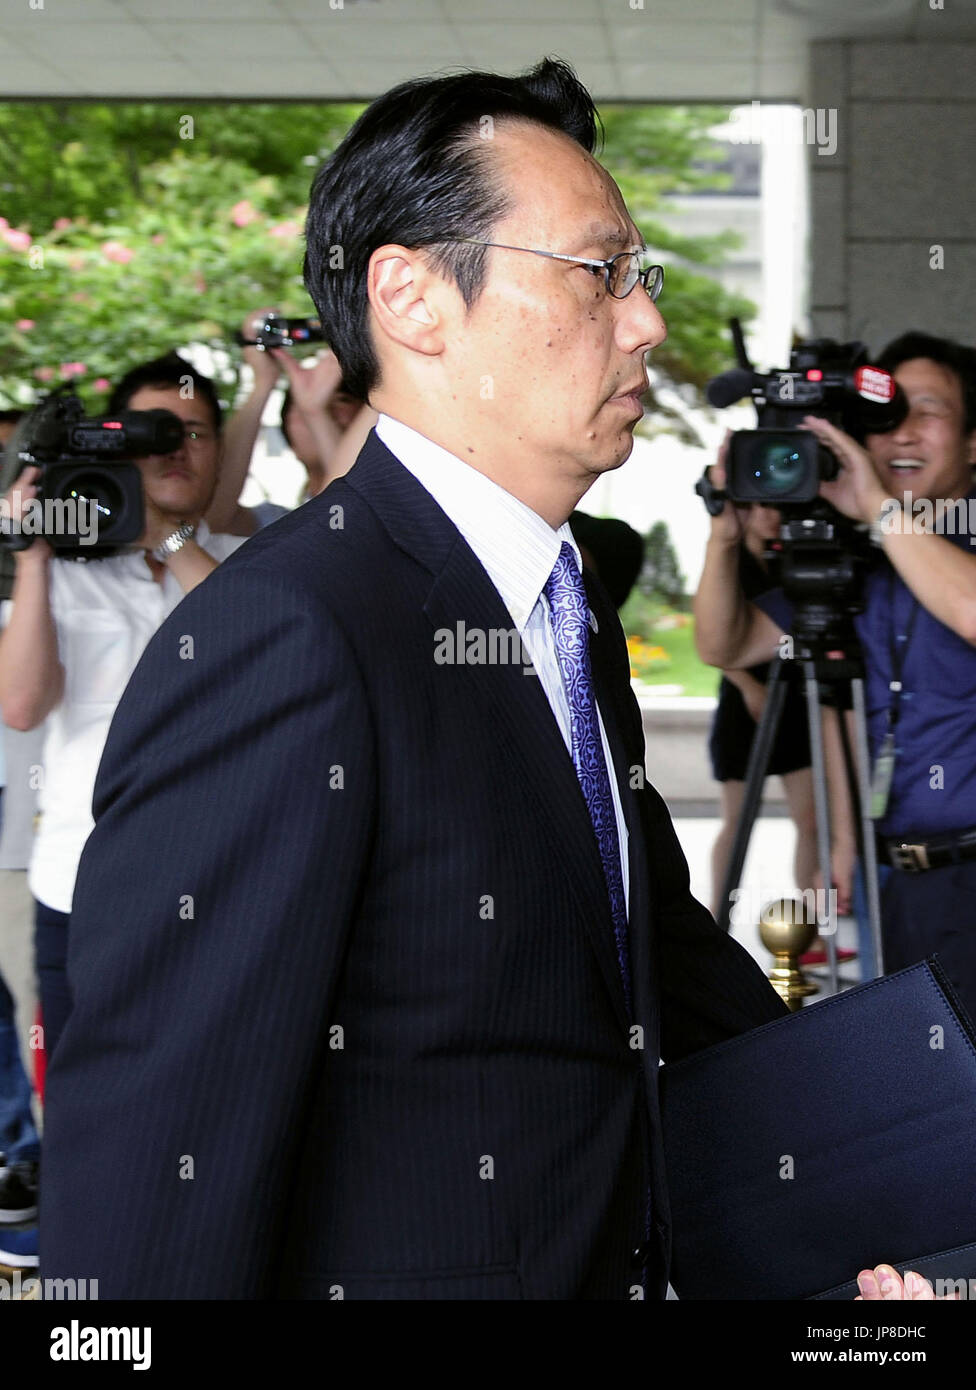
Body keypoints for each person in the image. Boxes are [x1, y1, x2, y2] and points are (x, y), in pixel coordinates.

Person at [40, 58, 795, 1300]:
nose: (646, 319)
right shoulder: (290, 633)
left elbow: (646, 952)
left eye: (641, 277)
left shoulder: (561, 610)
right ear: (413, 298)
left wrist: (892, 1148)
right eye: (600, 271)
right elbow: (160, 1154)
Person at [694, 331, 976, 1020]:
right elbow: (724, 644)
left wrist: (879, 509)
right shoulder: (859, 561)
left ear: (973, 443)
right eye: (885, 417)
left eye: (927, 411)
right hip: (895, 884)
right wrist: (725, 533)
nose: (900, 433)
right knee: (922, 1095)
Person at [0, 352, 245, 1061]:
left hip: (222, 893)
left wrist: (165, 539)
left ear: (221, 451)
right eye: (150, 431)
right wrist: (32, 554)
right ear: (112, 442)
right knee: (81, 1124)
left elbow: (253, 643)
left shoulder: (251, 563)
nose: (172, 447)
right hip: (80, 892)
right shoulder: (62, 576)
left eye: (194, 432)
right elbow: (20, 705)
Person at [705, 503, 817, 919]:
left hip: (793, 701)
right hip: (744, 702)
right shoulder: (729, 562)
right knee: (737, 821)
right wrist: (749, 687)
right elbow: (713, 640)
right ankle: (719, 918)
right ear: (744, 511)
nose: (775, 516)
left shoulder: (783, 560)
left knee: (810, 819)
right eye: (764, 508)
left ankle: (814, 927)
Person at [207, 309, 377, 535]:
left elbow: (362, 512)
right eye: (301, 412)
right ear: (286, 433)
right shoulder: (280, 527)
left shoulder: (394, 504)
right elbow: (216, 520)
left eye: (342, 401)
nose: (326, 410)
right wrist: (263, 381)